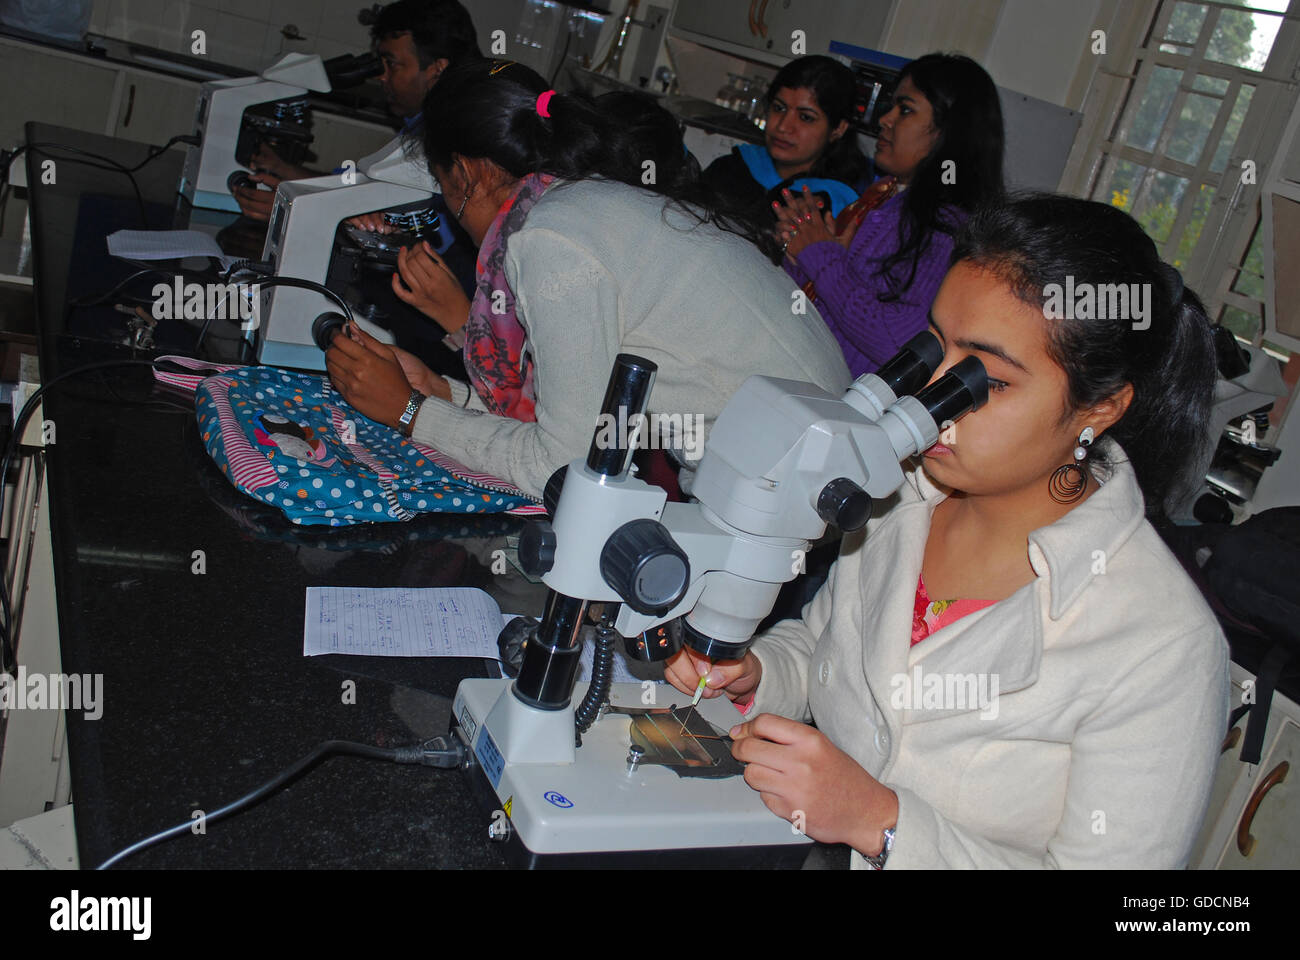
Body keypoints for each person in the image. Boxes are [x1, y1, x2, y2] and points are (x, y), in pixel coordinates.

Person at [665, 194, 1231, 869]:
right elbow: (823, 640)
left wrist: (884, 825)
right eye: (934, 350)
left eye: (984, 381)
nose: (933, 397)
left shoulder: (1164, 646)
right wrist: (757, 673)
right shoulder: (897, 494)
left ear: (1099, 406)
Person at [323, 59, 850, 499]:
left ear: (466, 173)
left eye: (441, 183)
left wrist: (411, 412)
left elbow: (562, 466)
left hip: (790, 480)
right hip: (806, 459)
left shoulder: (550, 238)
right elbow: (569, 418)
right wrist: (442, 394)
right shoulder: (578, 205)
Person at [775, 53, 1004, 378]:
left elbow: (899, 345)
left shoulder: (946, 227)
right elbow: (832, 303)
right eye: (892, 106)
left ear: (948, 130)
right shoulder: (885, 195)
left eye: (906, 110)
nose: (885, 119)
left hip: (841, 410)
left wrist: (821, 255)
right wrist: (800, 254)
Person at [232, 0, 481, 222]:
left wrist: (293, 209)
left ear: (437, 68)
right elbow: (359, 186)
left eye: (391, 64)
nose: (382, 76)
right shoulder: (422, 123)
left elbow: (392, 221)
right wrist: (285, 171)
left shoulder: (457, 136)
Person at [701, 55, 869, 222]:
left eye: (806, 117)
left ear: (838, 129)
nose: (783, 126)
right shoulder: (730, 169)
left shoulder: (831, 206)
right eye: (779, 108)